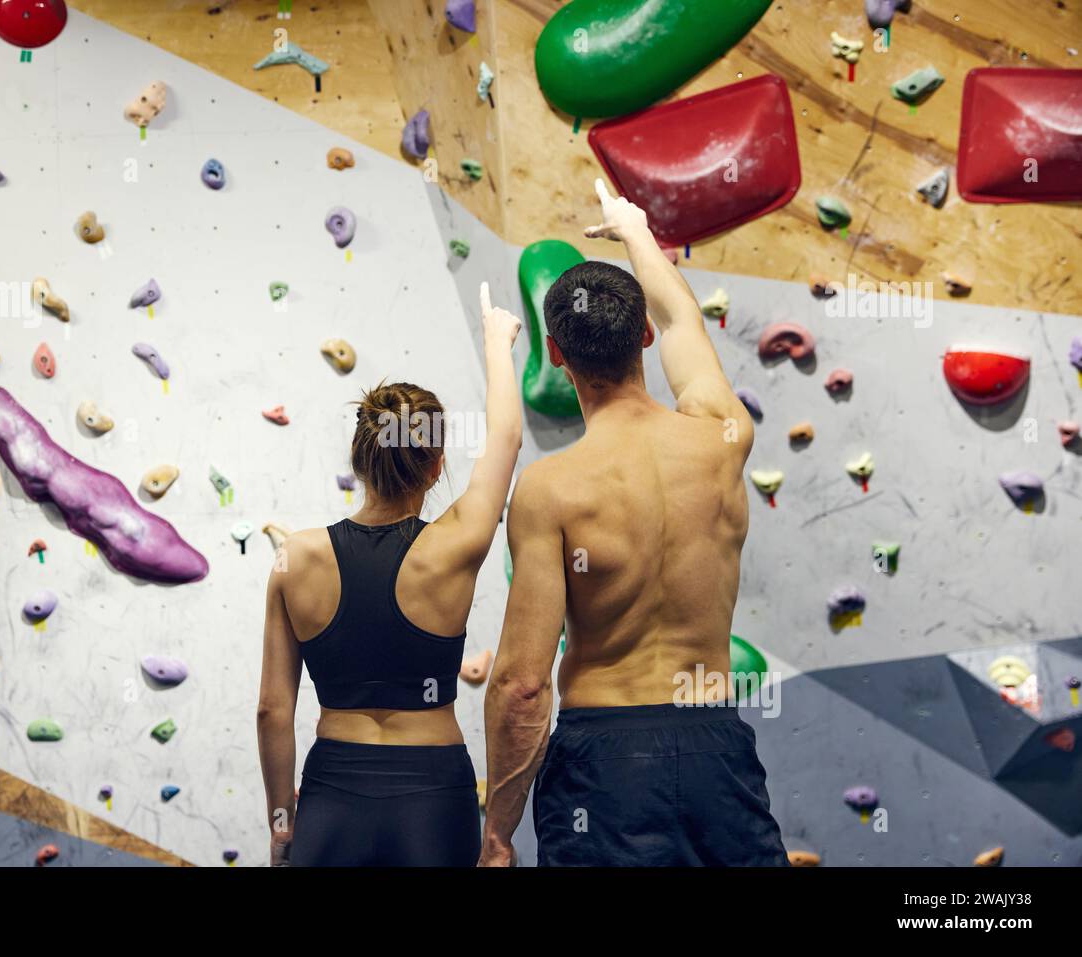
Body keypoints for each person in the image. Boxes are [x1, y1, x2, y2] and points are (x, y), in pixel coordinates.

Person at [478, 180, 788, 867]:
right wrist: (635, 228)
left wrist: (499, 829)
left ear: (555, 355)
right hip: (715, 748)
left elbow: (523, 684)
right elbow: (684, 324)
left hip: (605, 763)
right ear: (641, 335)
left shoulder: (551, 489)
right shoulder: (722, 437)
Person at [257, 283, 523, 866]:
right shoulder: (455, 547)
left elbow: (272, 711)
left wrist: (283, 822)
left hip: (332, 795)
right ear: (436, 469)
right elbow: (505, 437)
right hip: (432, 798)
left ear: (358, 461)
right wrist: (497, 341)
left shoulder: (294, 559)